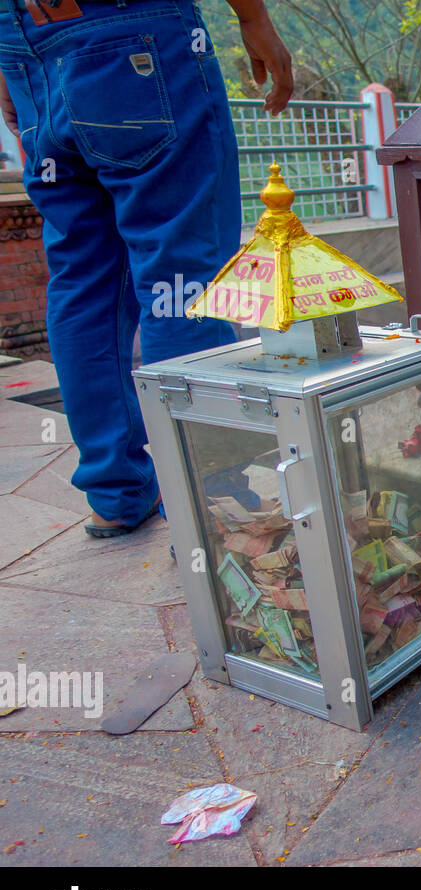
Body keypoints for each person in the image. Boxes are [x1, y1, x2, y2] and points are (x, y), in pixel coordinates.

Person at [0, 0, 291, 537]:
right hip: (136, 36)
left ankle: (115, 493)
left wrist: (8, 63)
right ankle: (209, 498)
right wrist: (251, 17)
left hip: (26, 47)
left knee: (83, 281)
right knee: (182, 276)